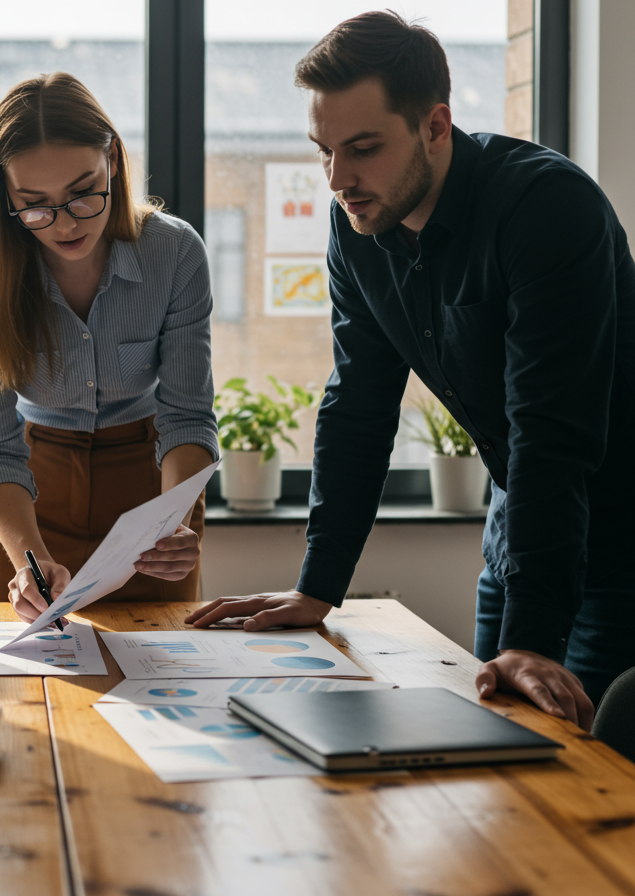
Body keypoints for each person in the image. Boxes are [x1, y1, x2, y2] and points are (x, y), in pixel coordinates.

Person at [186, 12, 635, 730]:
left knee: (597, 786)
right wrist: (317, 589)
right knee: (505, 752)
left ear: (435, 126)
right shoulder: (356, 227)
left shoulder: (548, 208)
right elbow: (358, 404)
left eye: (362, 149)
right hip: (523, 522)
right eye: (324, 151)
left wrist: (530, 640)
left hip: (619, 538)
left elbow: (550, 432)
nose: (338, 179)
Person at [0, 73, 218, 622]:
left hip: (150, 496)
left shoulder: (175, 253)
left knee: (158, 679)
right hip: (25, 498)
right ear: (5, 194)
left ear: (113, 162)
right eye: (35, 204)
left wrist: (174, 522)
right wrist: (29, 559)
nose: (65, 223)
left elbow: (187, 416)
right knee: (14, 686)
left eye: (82, 193)